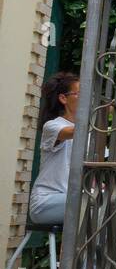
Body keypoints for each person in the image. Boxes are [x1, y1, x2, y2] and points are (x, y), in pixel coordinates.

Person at [29, 71, 79, 226]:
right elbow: (74, 132)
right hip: (45, 203)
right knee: (91, 201)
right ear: (63, 98)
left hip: (69, 198)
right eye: (80, 93)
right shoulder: (52, 126)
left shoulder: (87, 131)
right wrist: (102, 113)